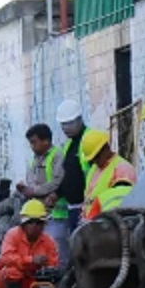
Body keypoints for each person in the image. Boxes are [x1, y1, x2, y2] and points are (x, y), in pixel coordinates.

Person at [16, 124, 71, 271]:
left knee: (58, 252)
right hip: (40, 215)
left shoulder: (58, 156)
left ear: (46, 141)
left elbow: (57, 182)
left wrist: (33, 191)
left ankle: (60, 279)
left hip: (57, 214)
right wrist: (25, 189)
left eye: (34, 142)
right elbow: (31, 181)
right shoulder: (34, 160)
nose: (32, 146)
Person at [51, 100, 105, 234]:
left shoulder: (89, 139)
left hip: (87, 206)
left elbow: (98, 174)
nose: (65, 128)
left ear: (79, 119)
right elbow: (68, 175)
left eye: (69, 123)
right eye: (63, 124)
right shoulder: (69, 145)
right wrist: (57, 193)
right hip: (73, 207)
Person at [0, 200, 60, 288]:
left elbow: (53, 264)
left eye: (38, 222)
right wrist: (31, 260)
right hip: (7, 280)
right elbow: (6, 258)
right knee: (12, 271)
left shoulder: (48, 241)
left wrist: (46, 266)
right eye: (31, 222)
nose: (35, 226)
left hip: (32, 280)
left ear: (43, 225)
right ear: (24, 224)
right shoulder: (13, 235)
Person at [80, 131, 138, 221]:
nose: (95, 161)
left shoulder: (122, 169)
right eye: (92, 160)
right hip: (92, 222)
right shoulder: (94, 169)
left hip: (110, 223)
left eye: (97, 157)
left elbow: (123, 205)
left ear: (106, 148)